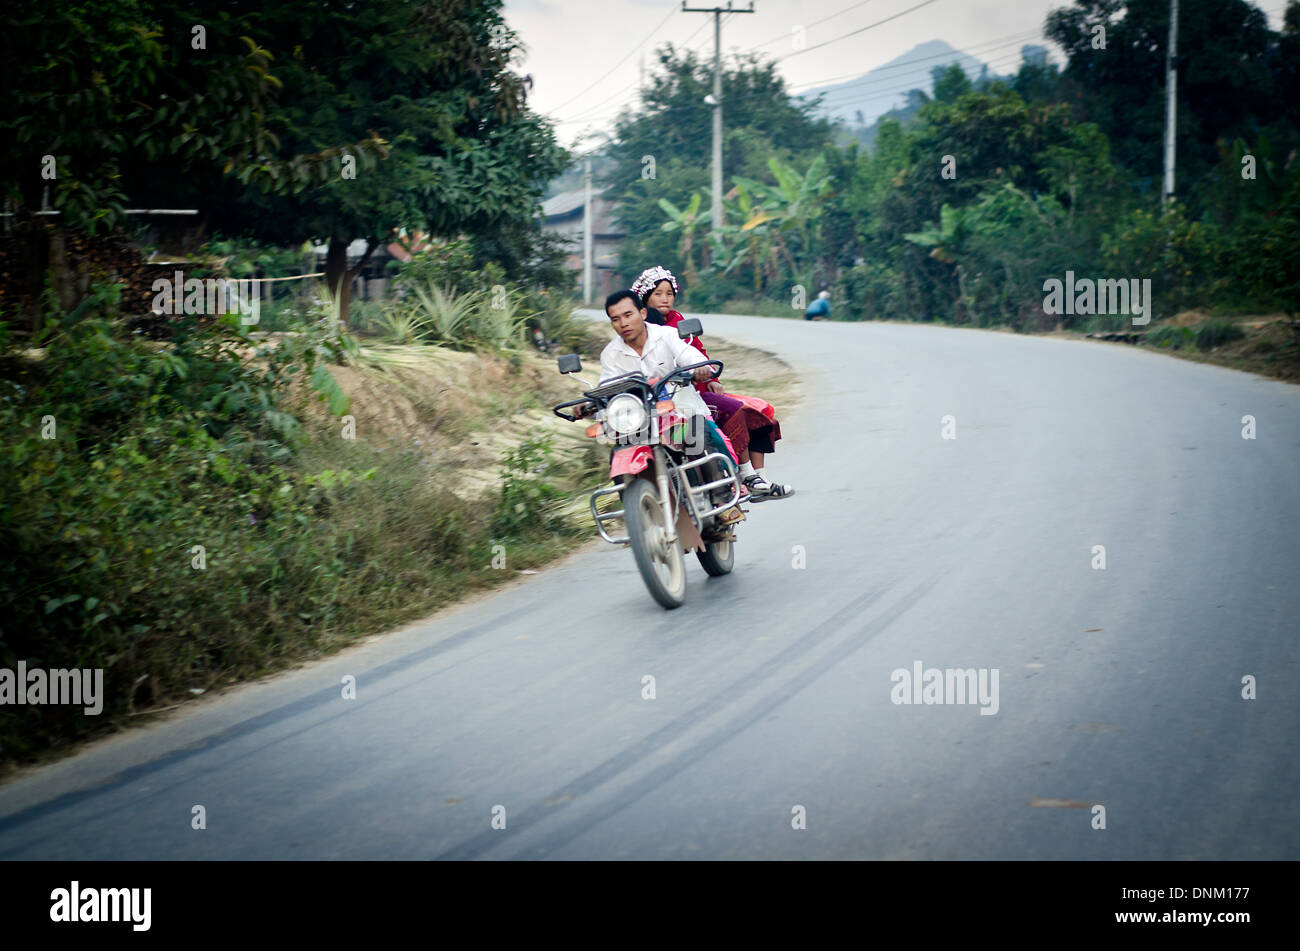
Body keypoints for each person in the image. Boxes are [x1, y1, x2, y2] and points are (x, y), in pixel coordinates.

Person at [633, 266, 794, 500]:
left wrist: (710, 377)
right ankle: (741, 477)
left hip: (689, 393)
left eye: (669, 293)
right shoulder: (631, 337)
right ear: (644, 299)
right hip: (657, 403)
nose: (664, 299)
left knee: (758, 413)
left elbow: (696, 353)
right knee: (733, 413)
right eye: (658, 293)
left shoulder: (675, 323)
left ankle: (755, 477)